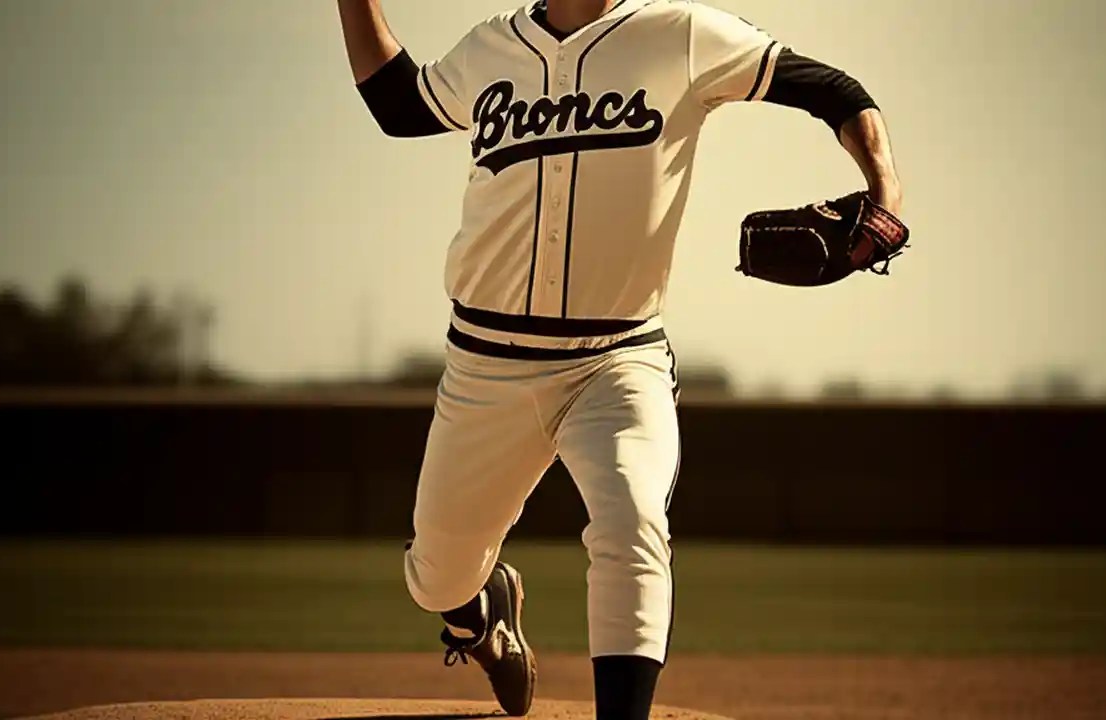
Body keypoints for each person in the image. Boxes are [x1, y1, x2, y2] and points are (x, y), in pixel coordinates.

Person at [335, 1, 903, 717]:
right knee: (436, 577)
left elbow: (835, 91)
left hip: (616, 361)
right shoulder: (490, 49)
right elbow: (397, 103)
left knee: (632, 523)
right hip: (484, 369)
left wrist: (885, 184)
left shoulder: (681, 36)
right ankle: (480, 617)